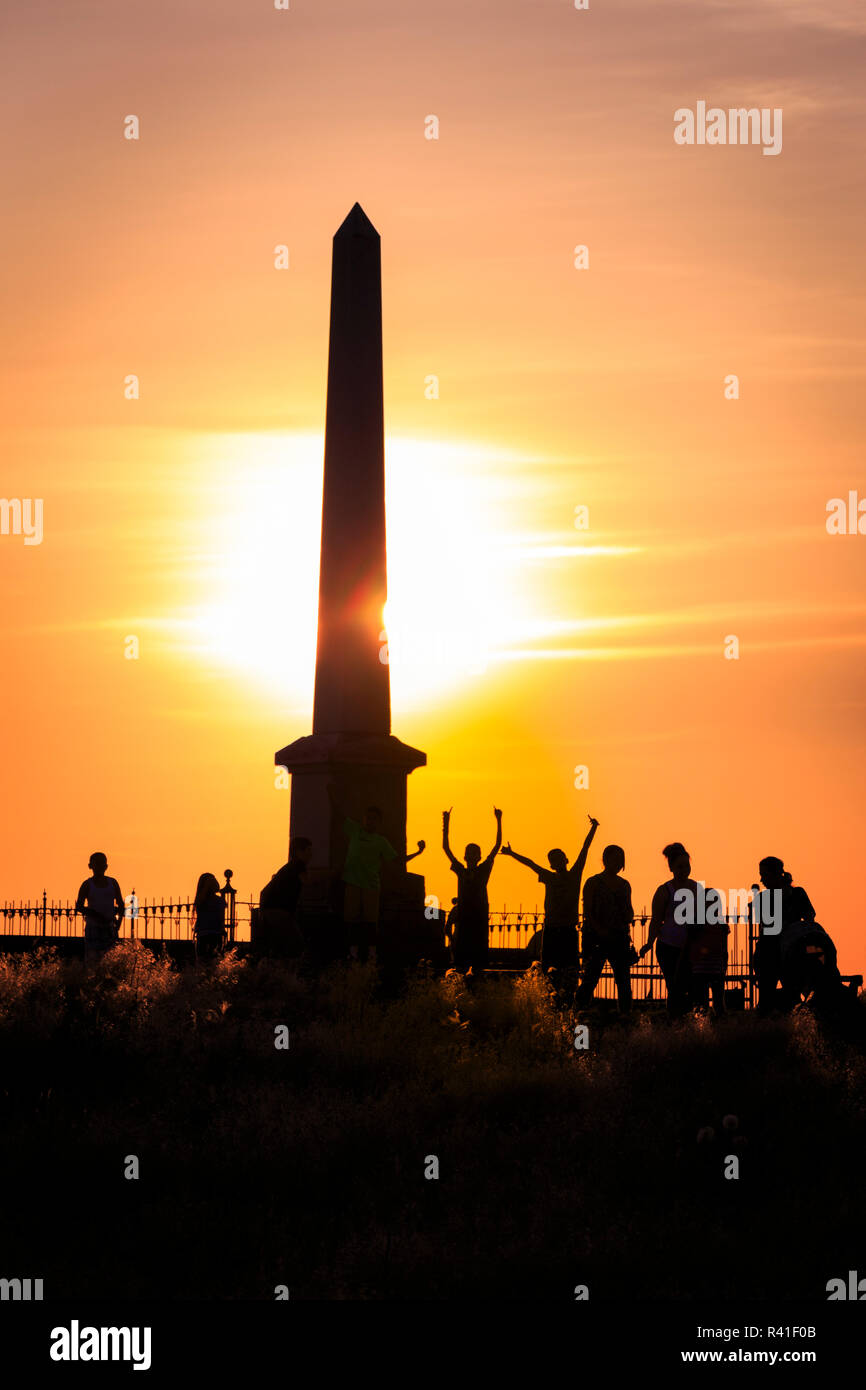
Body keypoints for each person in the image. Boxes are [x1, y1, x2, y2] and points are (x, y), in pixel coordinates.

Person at [329, 784, 425, 964]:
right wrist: (332, 796)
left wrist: (418, 853)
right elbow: (339, 815)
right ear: (363, 819)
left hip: (371, 886)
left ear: (379, 822)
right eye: (368, 818)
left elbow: (397, 861)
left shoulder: (381, 842)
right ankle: (353, 952)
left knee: (370, 922)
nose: (370, 822)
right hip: (352, 882)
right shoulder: (355, 830)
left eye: (373, 819)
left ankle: (372, 953)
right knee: (351, 919)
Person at [503, 816, 599, 994]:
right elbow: (530, 863)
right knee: (548, 968)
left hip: (568, 929)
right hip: (551, 929)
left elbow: (584, 849)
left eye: (559, 857)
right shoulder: (549, 876)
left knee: (570, 968)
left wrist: (593, 829)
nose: (557, 861)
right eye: (554, 859)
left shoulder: (574, 874)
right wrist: (511, 853)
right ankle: (549, 996)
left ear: (566, 860)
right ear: (552, 864)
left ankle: (568, 997)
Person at [640, 842, 699, 1016]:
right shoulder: (664, 890)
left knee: (692, 986)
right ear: (671, 868)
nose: (684, 870)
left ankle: (688, 1020)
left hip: (690, 947)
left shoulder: (697, 888)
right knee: (674, 986)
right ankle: (674, 1020)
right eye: (680, 867)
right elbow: (656, 920)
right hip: (668, 947)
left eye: (686, 866)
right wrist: (649, 943)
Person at [442, 806, 502, 977]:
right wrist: (446, 824)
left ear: (479, 856)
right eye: (470, 852)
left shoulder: (483, 869)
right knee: (461, 961)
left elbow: (496, 846)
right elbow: (446, 848)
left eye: (475, 852)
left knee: (479, 959)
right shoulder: (460, 870)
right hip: (464, 915)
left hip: (479, 914)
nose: (472, 855)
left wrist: (499, 820)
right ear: (465, 856)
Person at [752, 857, 817, 1012]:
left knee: (790, 996)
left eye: (764, 875)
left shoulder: (796, 893)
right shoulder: (764, 898)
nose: (761, 880)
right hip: (771, 952)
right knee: (768, 999)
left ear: (776, 874)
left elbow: (809, 918)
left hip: (788, 952)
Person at [575, 842, 634, 1013]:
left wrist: (627, 916)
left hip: (619, 937)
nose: (618, 863)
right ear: (605, 860)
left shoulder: (624, 885)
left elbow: (629, 910)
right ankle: (579, 1011)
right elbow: (587, 911)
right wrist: (599, 930)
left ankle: (625, 1015)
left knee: (623, 981)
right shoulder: (593, 882)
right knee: (590, 978)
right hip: (596, 938)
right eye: (614, 859)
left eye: (620, 860)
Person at [258, 838, 313, 960]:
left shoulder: (288, 867)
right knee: (297, 945)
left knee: (278, 947)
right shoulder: (298, 865)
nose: (311, 854)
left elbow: (264, 891)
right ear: (299, 852)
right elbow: (307, 881)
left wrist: (262, 913)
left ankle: (275, 968)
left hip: (270, 911)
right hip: (279, 912)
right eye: (308, 850)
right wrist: (331, 874)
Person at [75, 851, 125, 971]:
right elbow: (79, 906)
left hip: (110, 928)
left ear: (106, 866)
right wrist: (94, 914)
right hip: (93, 928)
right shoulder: (87, 885)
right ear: (90, 866)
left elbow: (121, 905)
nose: (99, 866)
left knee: (110, 964)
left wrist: (118, 925)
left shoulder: (113, 883)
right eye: (97, 863)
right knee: (93, 963)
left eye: (102, 863)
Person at [686, 888, 729, 1013]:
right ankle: (709, 1023)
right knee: (704, 1003)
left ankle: (713, 1022)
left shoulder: (719, 925)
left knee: (714, 1003)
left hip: (712, 968)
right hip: (703, 968)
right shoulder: (697, 923)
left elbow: (724, 949)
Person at [192, 873, 227, 962]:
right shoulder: (219, 901)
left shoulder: (200, 900)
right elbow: (221, 919)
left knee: (202, 963)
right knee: (214, 962)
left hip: (204, 934)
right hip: (215, 934)